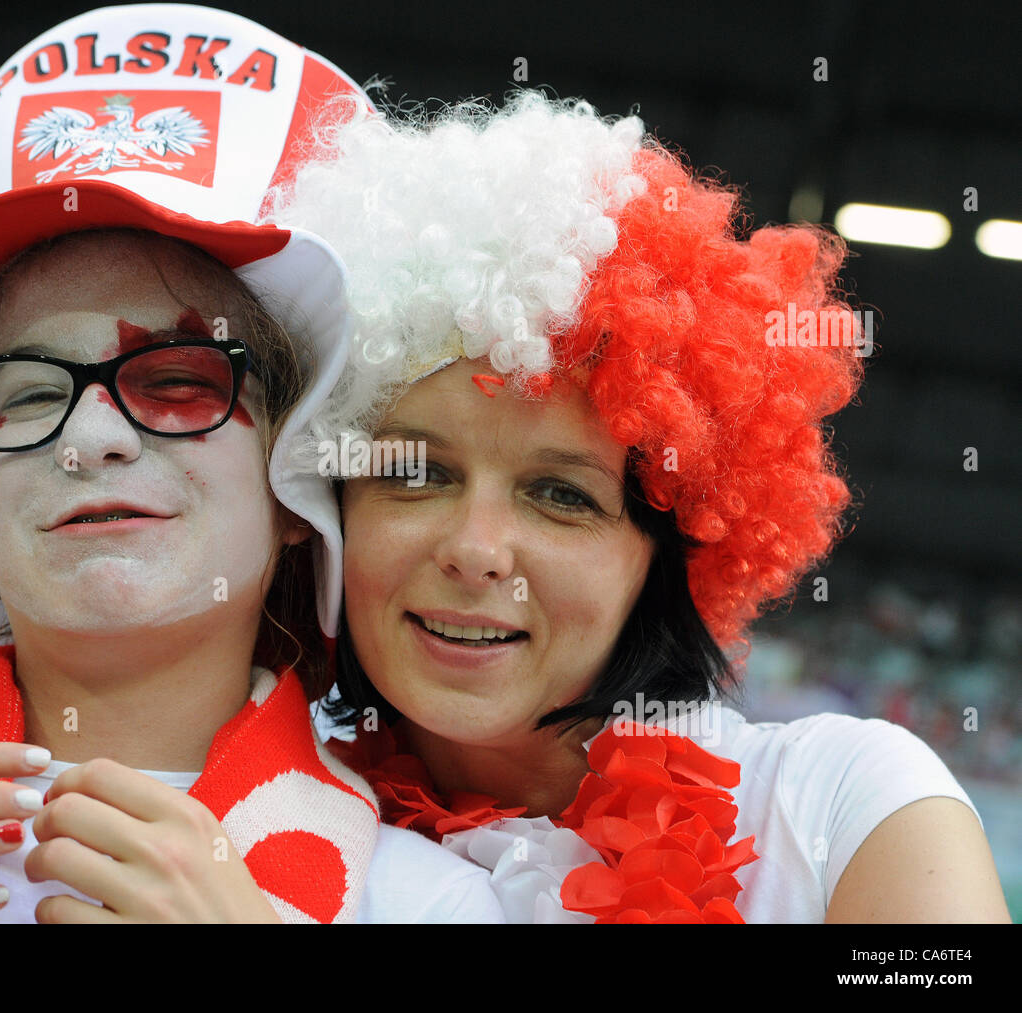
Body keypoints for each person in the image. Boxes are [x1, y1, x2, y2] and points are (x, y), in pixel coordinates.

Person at [0, 5, 503, 924]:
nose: (89, 437)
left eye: (176, 380)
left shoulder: (439, 902)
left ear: (301, 482)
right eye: (29, 393)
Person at [265, 90, 1013, 923]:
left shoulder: (850, 810)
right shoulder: (243, 823)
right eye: (417, 474)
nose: (476, 548)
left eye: (560, 494)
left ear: (669, 546)